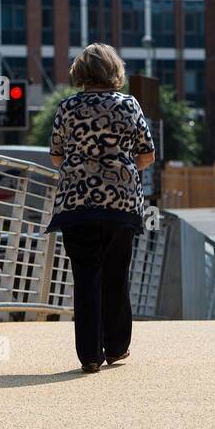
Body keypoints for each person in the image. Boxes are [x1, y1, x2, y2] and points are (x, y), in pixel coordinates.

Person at [45, 43, 155, 373]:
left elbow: (55, 155)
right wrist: (123, 166)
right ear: (114, 72)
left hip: (76, 204)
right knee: (115, 274)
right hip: (120, 203)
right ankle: (117, 347)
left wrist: (81, 164)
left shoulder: (67, 107)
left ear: (80, 73)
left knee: (86, 275)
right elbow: (147, 153)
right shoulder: (129, 105)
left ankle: (90, 356)